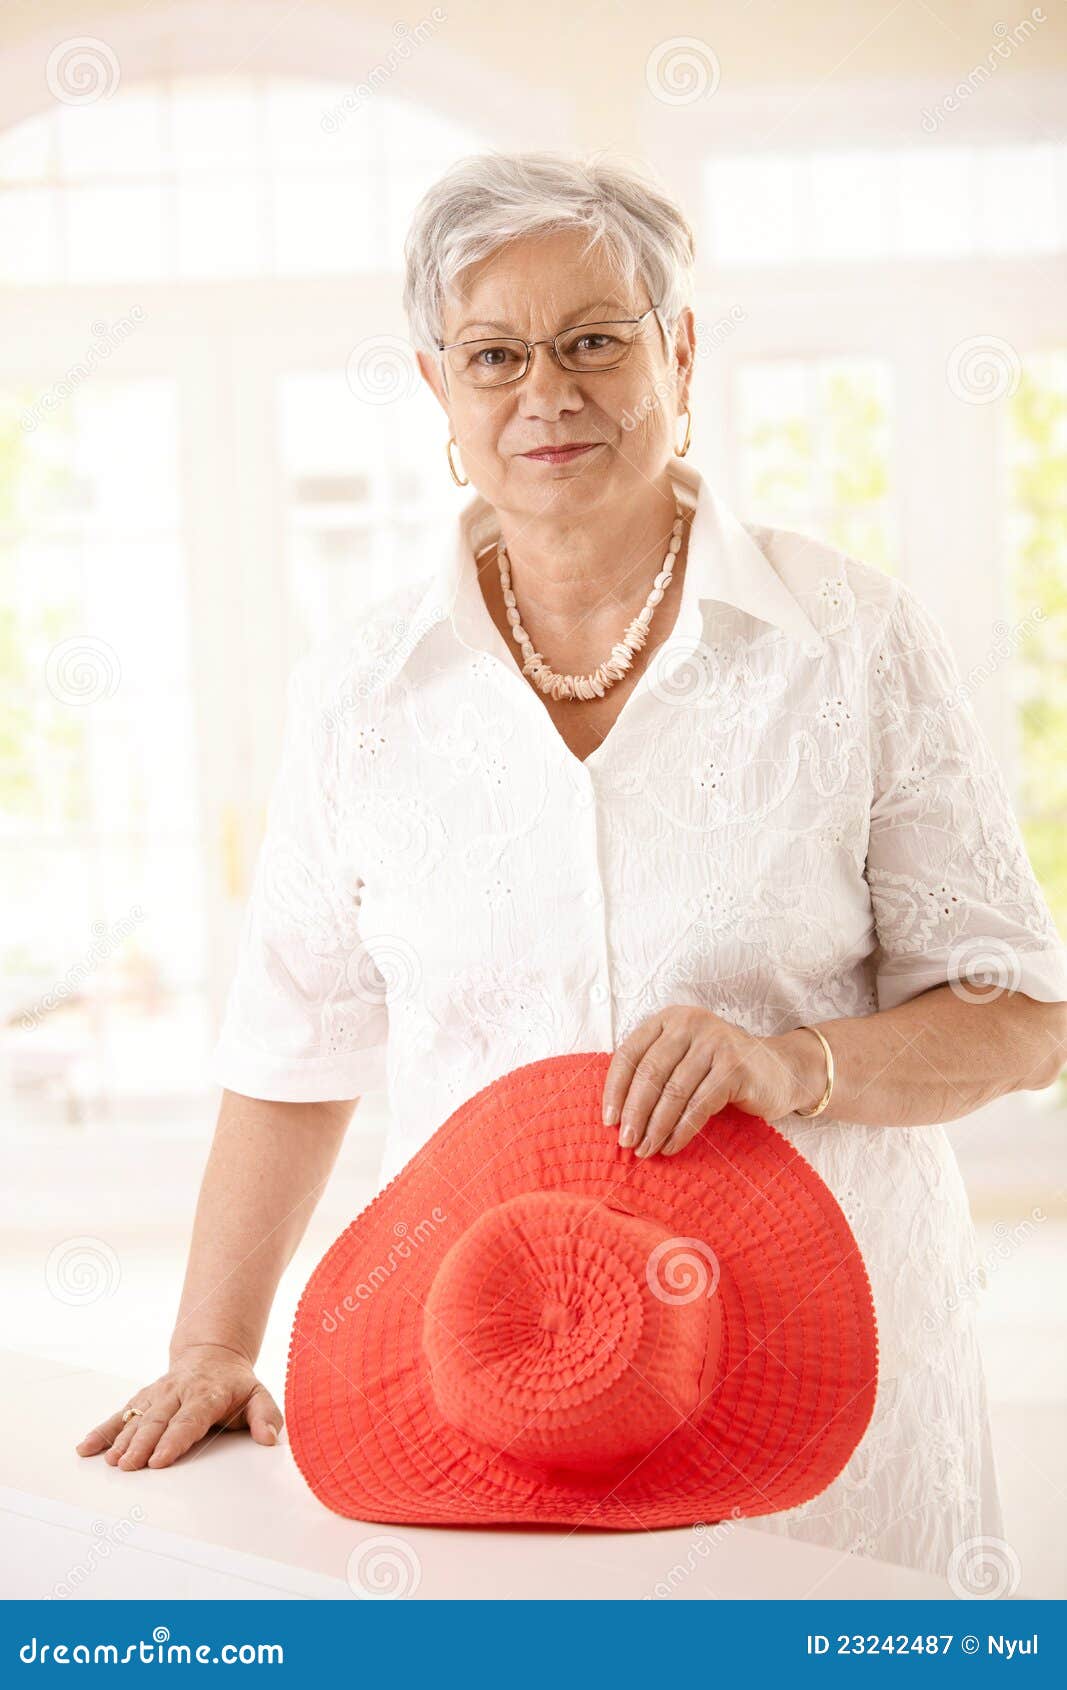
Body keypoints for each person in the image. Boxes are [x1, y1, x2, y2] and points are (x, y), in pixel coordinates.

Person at [76, 150, 1067, 1579]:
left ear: (677, 350)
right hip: (490, 1393)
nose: (548, 390)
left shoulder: (849, 641)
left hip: (826, 1390)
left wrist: (797, 1062)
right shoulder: (361, 692)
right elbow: (295, 1042)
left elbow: (1023, 1017)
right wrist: (213, 1343)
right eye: (496, 353)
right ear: (439, 390)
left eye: (595, 339)